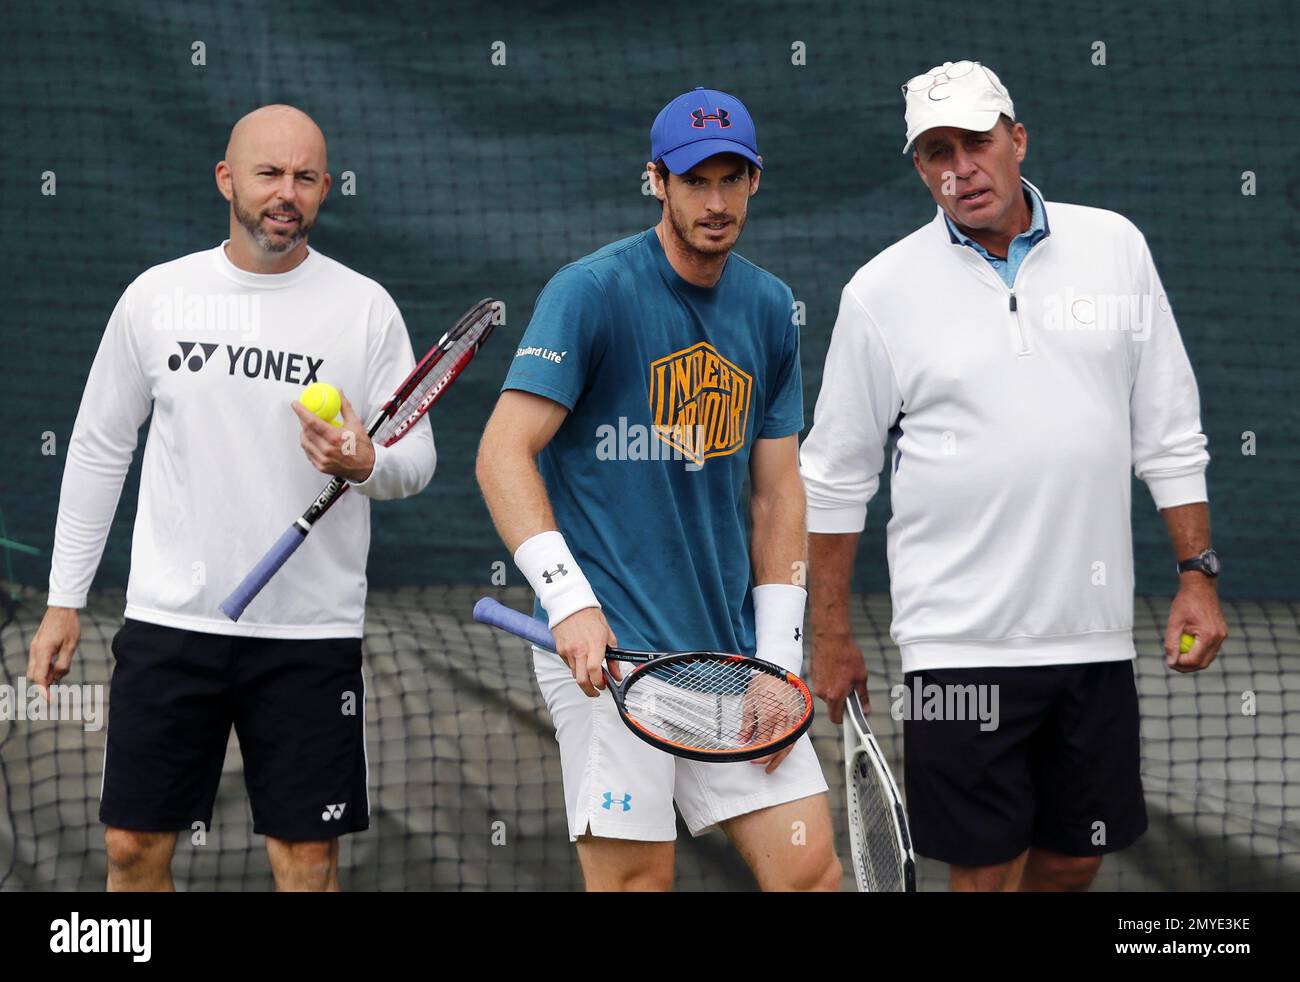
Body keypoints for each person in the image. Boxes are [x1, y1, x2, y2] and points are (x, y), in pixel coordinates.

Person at [800, 61, 1228, 891]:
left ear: (1017, 138)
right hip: (953, 648)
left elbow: (1170, 430)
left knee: (1075, 858)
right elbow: (835, 479)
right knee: (984, 873)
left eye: (975, 142)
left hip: (1093, 636)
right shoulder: (879, 293)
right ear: (919, 167)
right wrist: (829, 635)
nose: (960, 168)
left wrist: (1196, 575)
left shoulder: (1117, 248)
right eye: (935, 152)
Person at [27, 104, 436, 891]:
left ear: (323, 190)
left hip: (309, 635)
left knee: (307, 860)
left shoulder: (365, 308)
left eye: (305, 178)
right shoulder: (157, 296)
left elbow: (414, 460)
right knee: (130, 849)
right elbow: (99, 445)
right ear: (226, 179)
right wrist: (63, 599)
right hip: (170, 624)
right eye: (269, 173)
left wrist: (362, 459)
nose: (287, 193)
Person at [476, 87, 839, 891]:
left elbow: (779, 493)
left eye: (730, 180)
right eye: (693, 180)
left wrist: (777, 661)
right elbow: (502, 453)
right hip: (617, 657)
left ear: (754, 182)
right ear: (657, 182)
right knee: (637, 884)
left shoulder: (771, 308)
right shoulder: (591, 292)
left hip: (730, 657)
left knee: (810, 873)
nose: (714, 202)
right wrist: (569, 600)